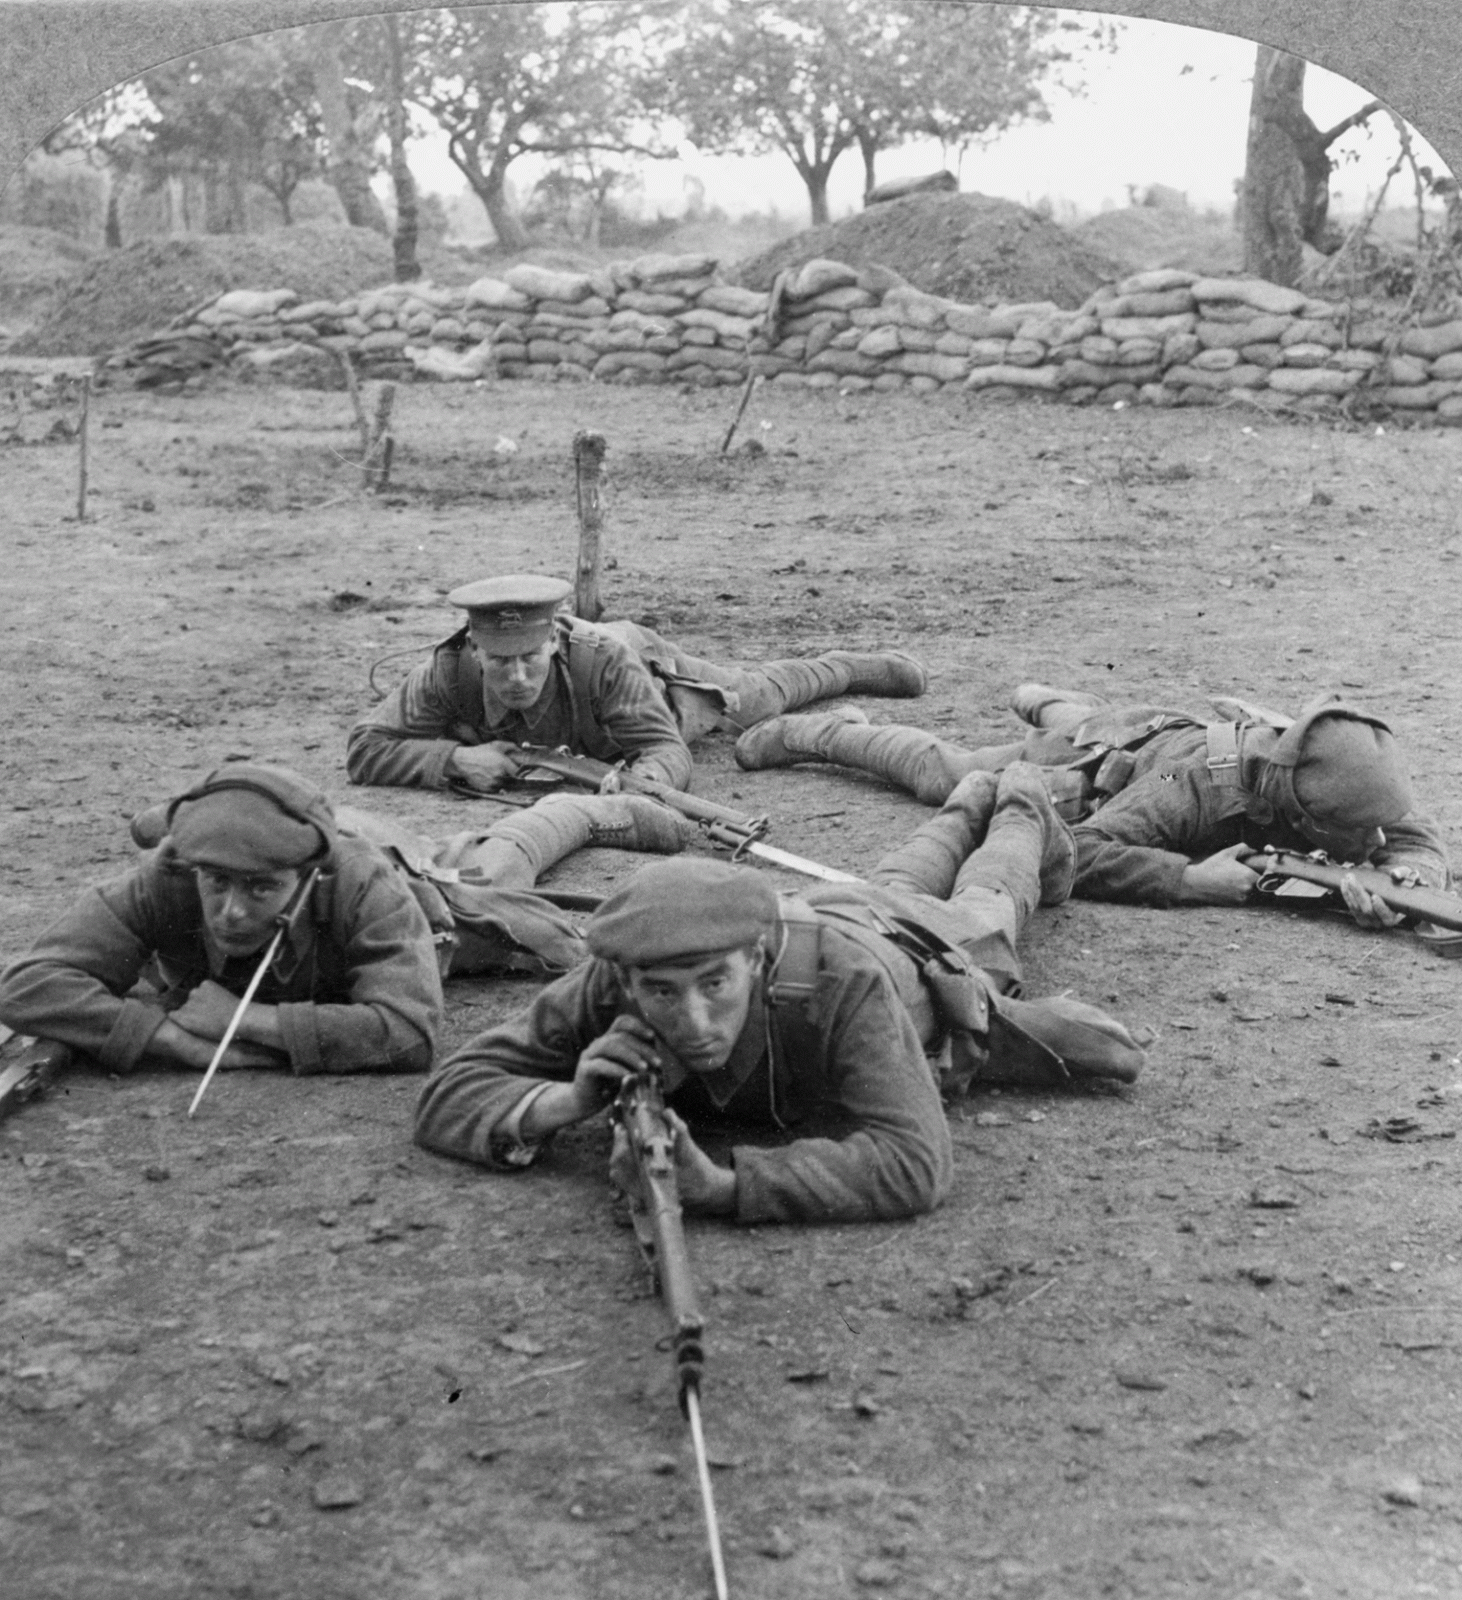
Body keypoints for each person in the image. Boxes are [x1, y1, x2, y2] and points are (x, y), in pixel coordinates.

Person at [413, 764, 1145, 1226]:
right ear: (628, 978)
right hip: (834, 904)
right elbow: (452, 1090)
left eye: (715, 986)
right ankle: (970, 793)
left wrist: (727, 1187)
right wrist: (566, 1103)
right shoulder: (616, 975)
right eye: (662, 994)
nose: (692, 1021)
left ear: (756, 960)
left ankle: (1019, 794)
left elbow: (915, 1164)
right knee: (917, 857)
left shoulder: (839, 989)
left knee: (992, 891)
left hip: (922, 950)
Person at [732, 687, 1452, 929]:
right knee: (946, 771)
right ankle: (821, 730)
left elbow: (1411, 833)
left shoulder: (1340, 765)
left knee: (1089, 711)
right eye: (1355, 835)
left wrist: (1410, 882)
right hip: (1102, 770)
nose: (1373, 840)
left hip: (1151, 724)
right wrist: (1185, 881)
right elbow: (1083, 850)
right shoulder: (1195, 792)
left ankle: (1041, 694)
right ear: (1299, 807)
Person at [0, 763, 444, 1078]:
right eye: (216, 882)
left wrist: (246, 1019)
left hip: (410, 873)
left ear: (307, 877)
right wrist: (170, 1039)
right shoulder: (170, 874)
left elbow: (408, 1032)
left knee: (487, 902)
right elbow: (26, 986)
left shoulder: (361, 885)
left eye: (260, 888)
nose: (231, 912)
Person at [345, 573, 928, 794]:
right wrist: (453, 762)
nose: (517, 676)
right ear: (475, 647)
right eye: (501, 664)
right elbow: (366, 748)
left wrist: (642, 783)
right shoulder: (446, 671)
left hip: (651, 682)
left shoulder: (605, 663)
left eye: (530, 658)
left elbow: (665, 749)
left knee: (755, 698)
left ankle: (846, 666)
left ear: (552, 642)